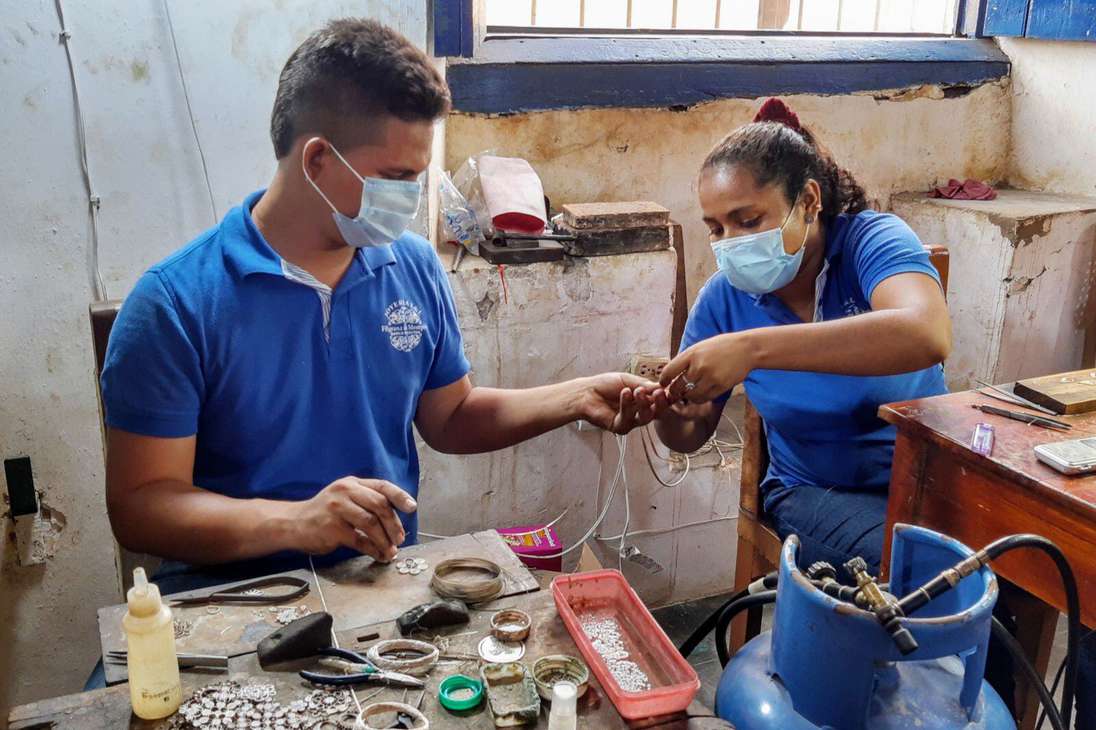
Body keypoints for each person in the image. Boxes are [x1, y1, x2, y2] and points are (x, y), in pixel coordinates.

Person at [100, 18, 647, 596]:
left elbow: (450, 417)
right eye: (397, 177)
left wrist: (578, 397)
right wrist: (297, 521)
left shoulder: (409, 265)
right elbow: (142, 507)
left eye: (418, 176)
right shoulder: (175, 304)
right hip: (227, 597)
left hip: (376, 583)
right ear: (317, 161)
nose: (410, 197)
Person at [629, 97, 950, 579]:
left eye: (748, 220)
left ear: (808, 201)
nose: (730, 241)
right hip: (817, 490)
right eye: (716, 228)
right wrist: (671, 414)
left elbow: (925, 333)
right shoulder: (724, 299)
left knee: (1047, 558)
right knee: (928, 571)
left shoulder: (870, 242)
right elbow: (690, 437)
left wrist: (752, 348)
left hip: (933, 476)